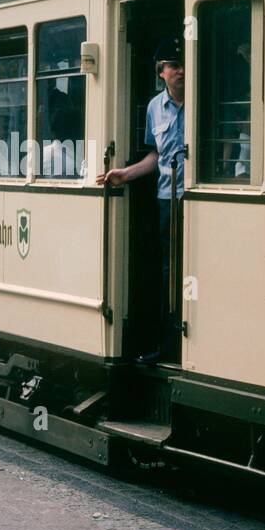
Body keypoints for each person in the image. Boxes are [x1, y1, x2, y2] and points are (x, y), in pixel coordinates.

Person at [96, 35, 185, 366]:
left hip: (196, 198)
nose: (181, 71)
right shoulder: (153, 108)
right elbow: (156, 156)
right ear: (161, 71)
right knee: (168, 273)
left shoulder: (202, 99)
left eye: (183, 65)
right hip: (167, 199)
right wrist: (126, 174)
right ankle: (167, 344)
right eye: (174, 66)